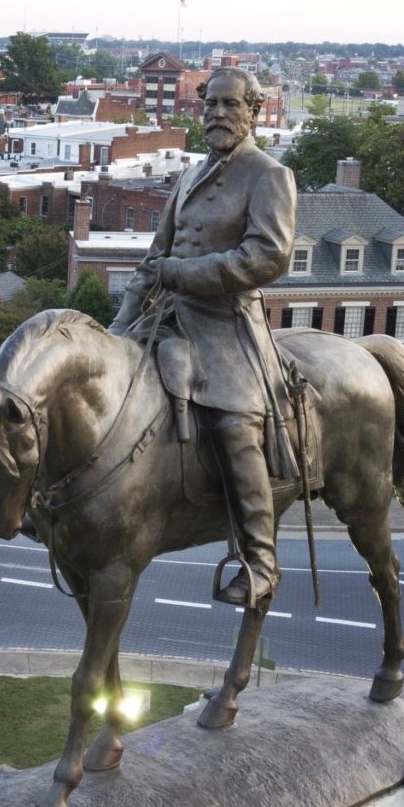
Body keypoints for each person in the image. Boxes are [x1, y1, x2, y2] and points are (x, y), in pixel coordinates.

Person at [107, 67, 298, 608]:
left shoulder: (269, 175)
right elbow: (155, 258)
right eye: (210, 104)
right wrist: (118, 330)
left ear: (254, 111)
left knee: (236, 426)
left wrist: (181, 276)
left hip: (227, 324)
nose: (217, 114)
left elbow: (268, 257)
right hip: (167, 314)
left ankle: (260, 561)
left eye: (230, 105)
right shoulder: (191, 175)